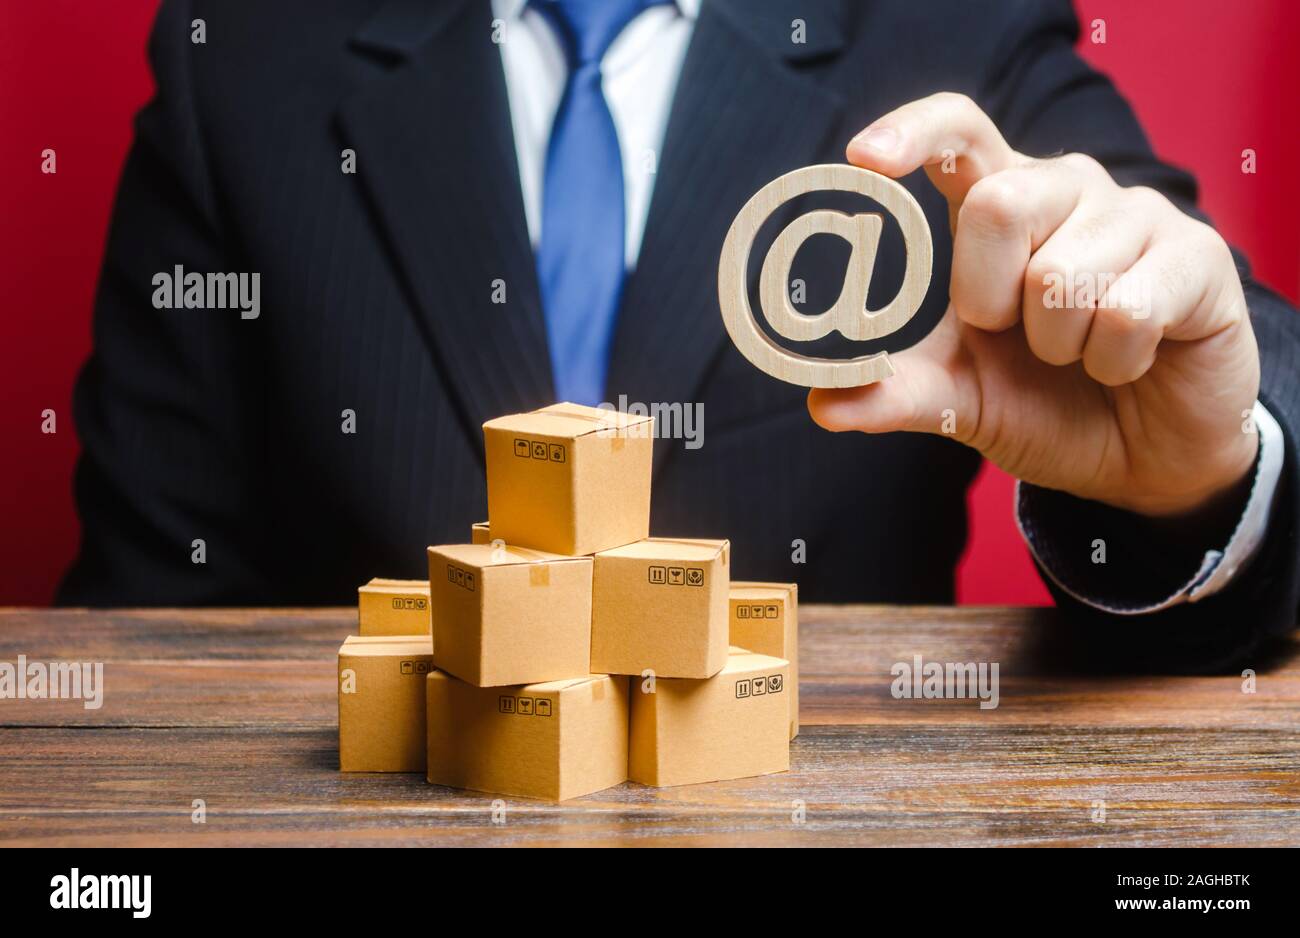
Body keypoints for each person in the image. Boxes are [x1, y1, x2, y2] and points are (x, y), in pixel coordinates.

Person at [60, 0, 1299, 671]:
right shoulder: (246, 55)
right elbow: (149, 617)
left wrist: (1201, 476)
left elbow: (1229, 339)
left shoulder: (951, 32)